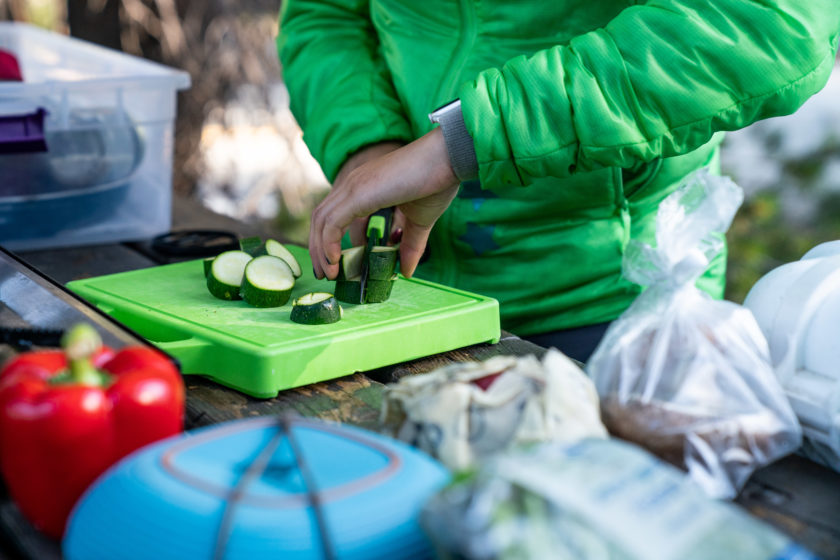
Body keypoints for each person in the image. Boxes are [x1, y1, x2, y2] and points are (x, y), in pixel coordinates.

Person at [277, 1, 840, 362]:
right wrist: (368, 146)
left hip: (606, 307)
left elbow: (769, 23)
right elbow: (325, 14)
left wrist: (469, 138)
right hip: (405, 299)